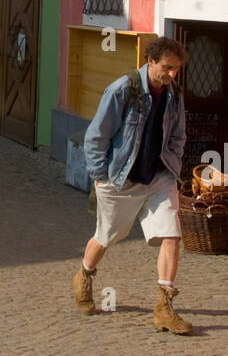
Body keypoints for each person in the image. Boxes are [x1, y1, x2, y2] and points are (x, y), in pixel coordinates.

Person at [73, 37, 192, 335]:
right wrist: (99, 174)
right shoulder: (123, 90)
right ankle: (85, 274)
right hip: (120, 178)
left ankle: (164, 307)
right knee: (108, 236)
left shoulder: (174, 95)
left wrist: (172, 164)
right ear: (150, 61)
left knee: (171, 235)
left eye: (176, 69)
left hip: (158, 177)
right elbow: (96, 136)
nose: (172, 75)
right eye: (167, 67)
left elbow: (178, 135)